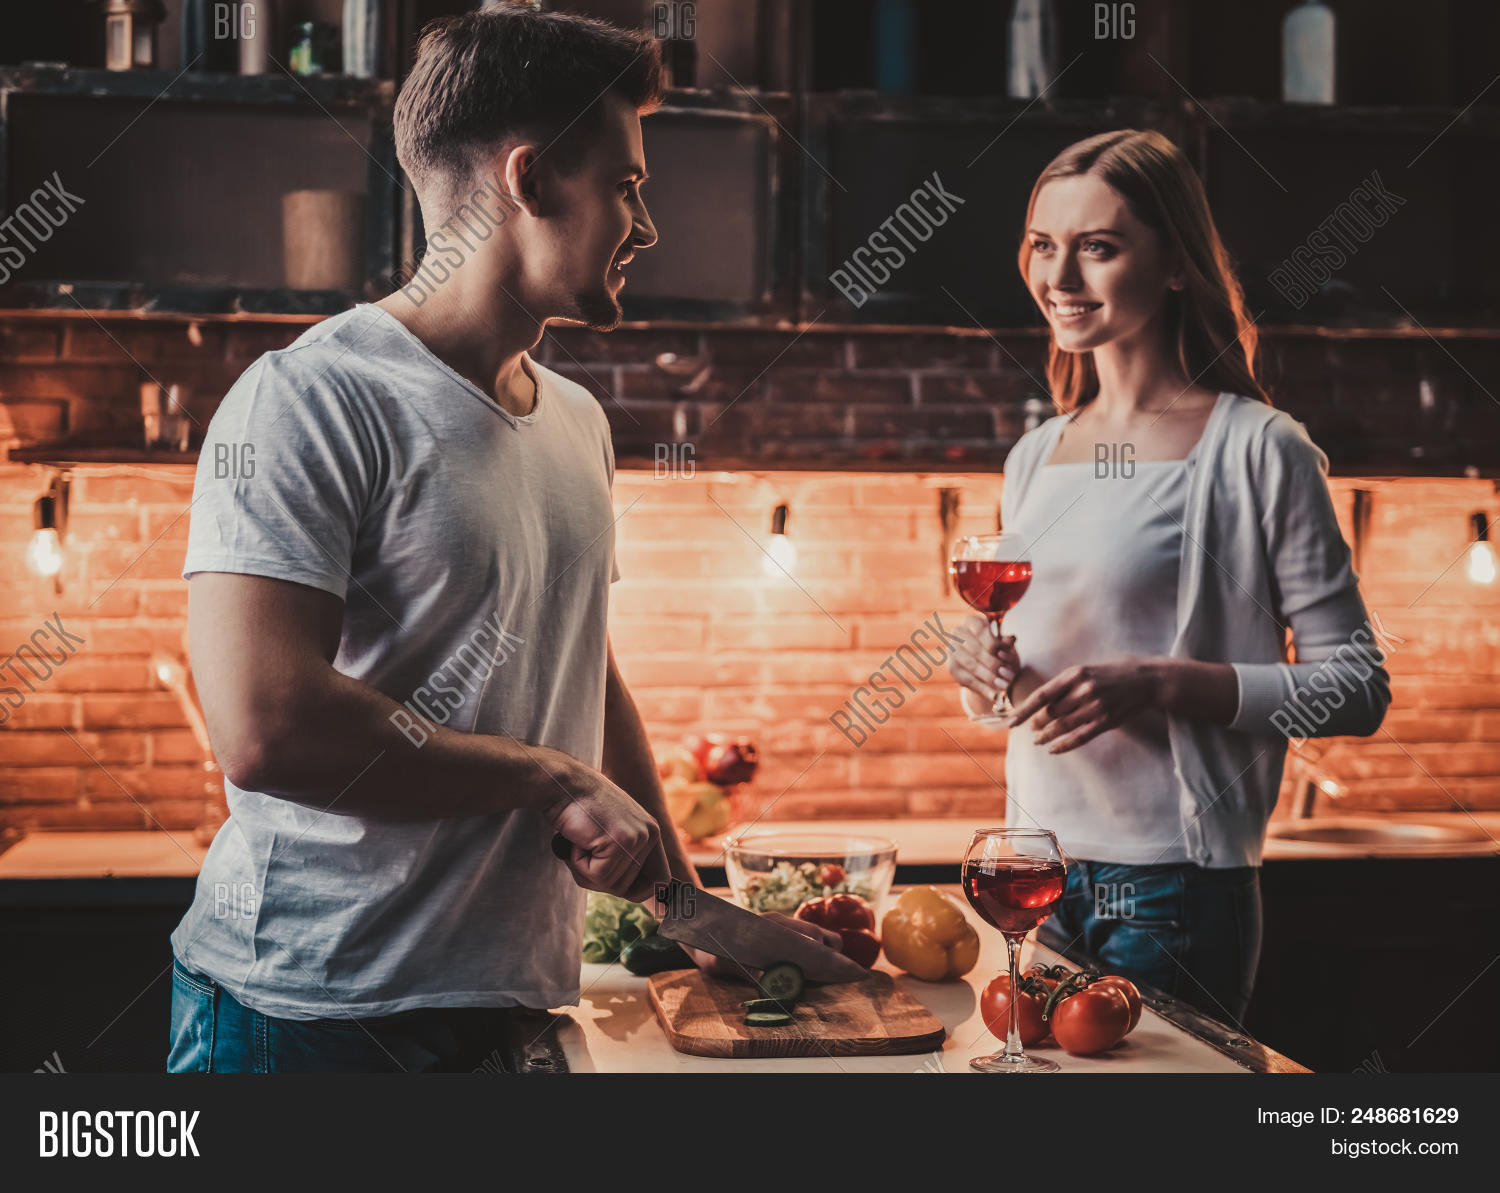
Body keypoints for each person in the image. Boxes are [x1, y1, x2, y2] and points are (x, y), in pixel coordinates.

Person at [167, 4, 837, 1074]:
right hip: (308, 1013)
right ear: (528, 180)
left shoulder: (574, 418)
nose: (646, 225)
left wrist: (683, 902)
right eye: (626, 185)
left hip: (504, 1006)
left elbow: (584, 660)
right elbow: (265, 727)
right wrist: (546, 778)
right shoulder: (309, 396)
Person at [947, 129, 1390, 1026]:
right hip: (1033, 871)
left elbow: (1358, 688)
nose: (1060, 278)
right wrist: (983, 676)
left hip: (1176, 888)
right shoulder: (1035, 455)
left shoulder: (1260, 449)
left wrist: (1163, 682)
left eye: (1098, 247)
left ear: (1178, 264)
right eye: (1043, 245)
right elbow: (1028, 689)